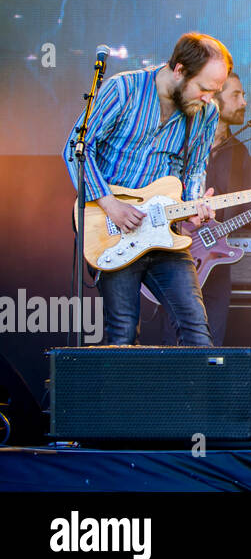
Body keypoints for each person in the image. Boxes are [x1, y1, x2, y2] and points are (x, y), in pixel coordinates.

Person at [64, 33, 230, 345]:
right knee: (124, 333)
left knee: (196, 331)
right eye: (204, 88)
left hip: (164, 233)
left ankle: (194, 395)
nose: (208, 97)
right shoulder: (123, 89)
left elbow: (194, 168)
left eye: (215, 91)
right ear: (179, 70)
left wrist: (196, 205)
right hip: (112, 228)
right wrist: (110, 203)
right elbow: (76, 150)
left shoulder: (206, 113)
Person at [160, 73, 251, 345]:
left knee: (211, 348)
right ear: (214, 99)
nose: (244, 102)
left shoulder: (239, 153)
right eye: (236, 95)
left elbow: (237, 215)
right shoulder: (181, 140)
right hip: (173, 257)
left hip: (215, 264)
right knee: (170, 344)